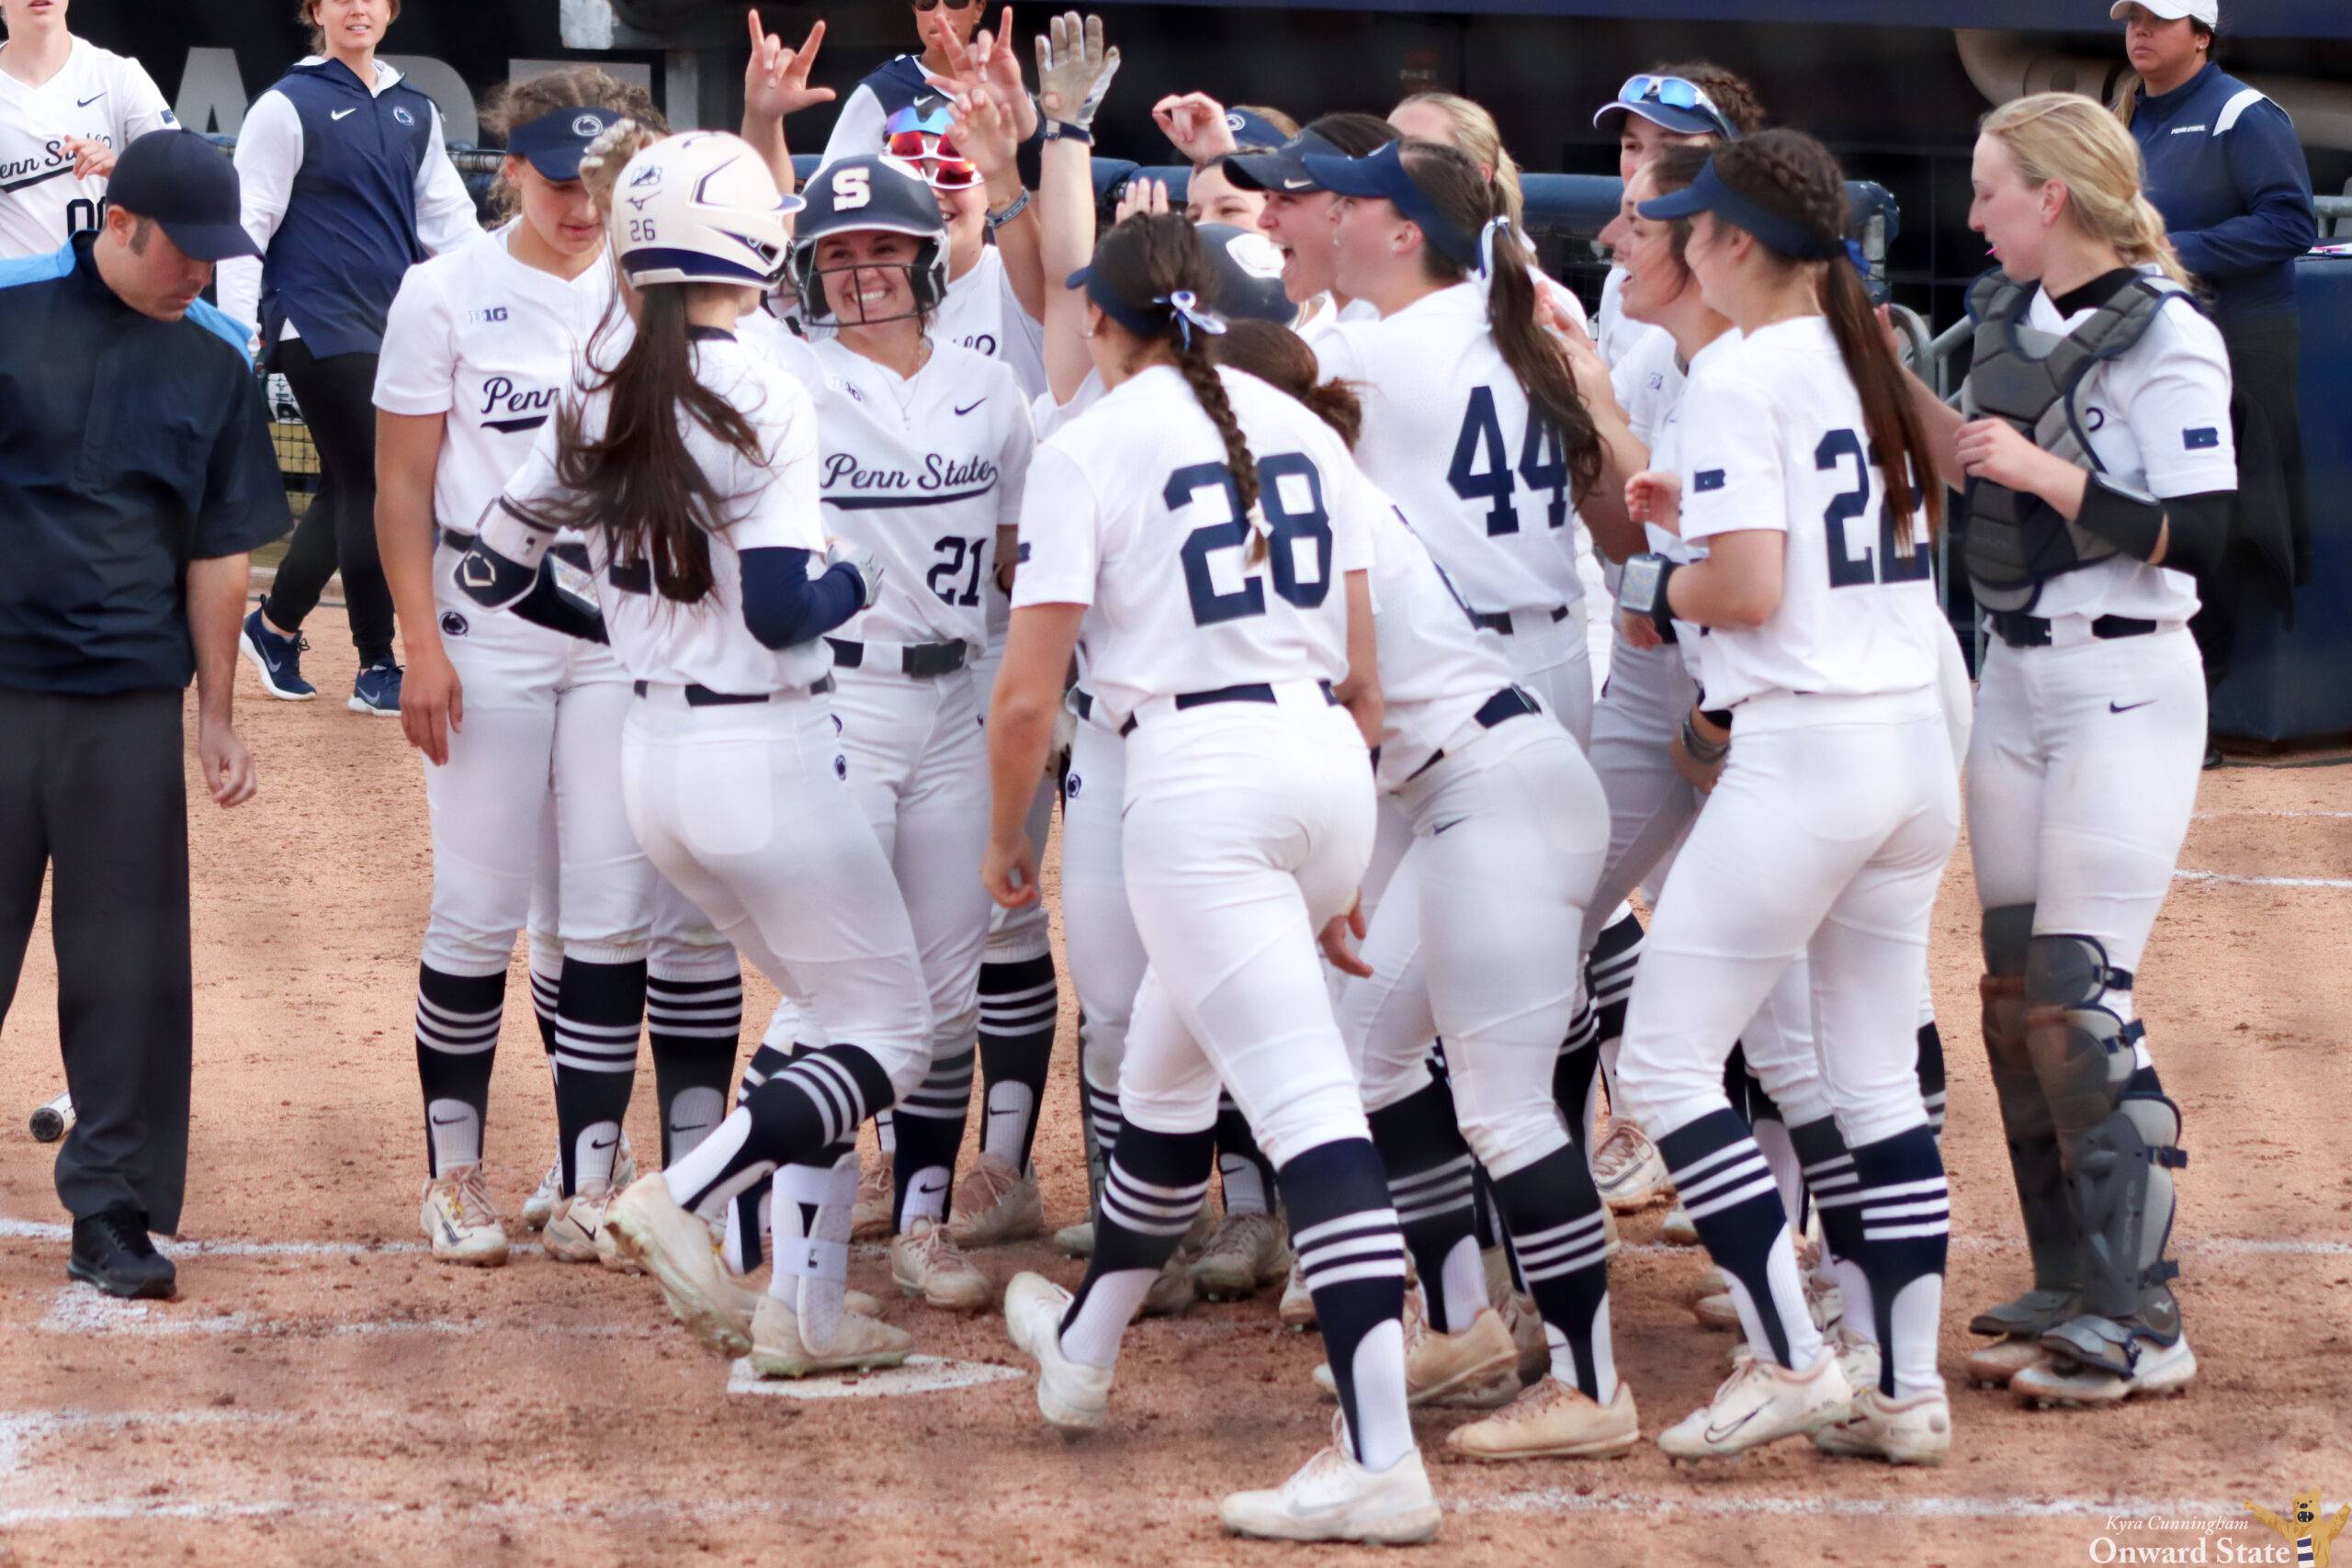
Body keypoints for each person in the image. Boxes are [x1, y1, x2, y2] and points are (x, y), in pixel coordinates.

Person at [986, 213, 1436, 1544]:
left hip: (1200, 779)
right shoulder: (1301, 419)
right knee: (1169, 1085)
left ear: (1109, 322)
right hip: (1317, 764)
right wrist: (1331, 848)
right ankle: (1083, 1346)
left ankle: (1381, 1453)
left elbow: (1025, 700)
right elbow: (1364, 674)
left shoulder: (1092, 442)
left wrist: (1012, 832)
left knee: (1307, 1109)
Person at [458, 130, 933, 1381]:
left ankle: (805, 1311)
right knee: (898, 1033)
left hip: (657, 748)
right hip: (765, 745)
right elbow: (783, 605)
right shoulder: (763, 380)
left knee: (829, 1016)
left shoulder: (600, 372)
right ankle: (691, 1185)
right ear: (756, 240)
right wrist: (854, 581)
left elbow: (492, 568)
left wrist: (612, 627)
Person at [1213, 318, 1632, 1461]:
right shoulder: (1308, 497)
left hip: (1501, 794)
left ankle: (1595, 1388)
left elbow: (1339, 706)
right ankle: (1459, 1324)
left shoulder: (1303, 512)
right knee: (1372, 1055)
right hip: (1454, 797)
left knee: (1499, 1104)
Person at [1609, 128, 1958, 1463]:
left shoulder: (1745, 367)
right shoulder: (1867, 351)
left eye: (1692, 226)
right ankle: (1905, 1389)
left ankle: (1792, 1356)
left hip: (1805, 751)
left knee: (1666, 1059)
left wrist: (1654, 579)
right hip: (1906, 743)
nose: (1680, 242)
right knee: (1875, 1079)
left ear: (1735, 243)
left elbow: (1744, 591)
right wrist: (1693, 520)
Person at [373, 70, 754, 1268]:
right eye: (555, 176)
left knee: (605, 913)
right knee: (478, 906)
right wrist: (417, 638)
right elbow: (398, 484)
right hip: (488, 640)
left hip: (617, 639)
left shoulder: (650, 293)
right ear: (509, 168)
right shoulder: (445, 290)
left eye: (601, 182)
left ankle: (590, 1175)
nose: (579, 204)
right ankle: (455, 1172)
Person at [1895, 92, 2229, 1408]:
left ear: (2056, 197)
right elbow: (1975, 467)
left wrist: (2045, 475)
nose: (1973, 216)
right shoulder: (2006, 321)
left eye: (1990, 192)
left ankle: (2146, 1318)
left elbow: (2203, 533)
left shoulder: (2174, 337)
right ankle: (2073, 1281)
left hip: (2127, 684)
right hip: (2015, 686)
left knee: (2085, 997)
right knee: (2013, 995)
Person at [0, 130, 285, 1299]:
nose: (202, 276)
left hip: (123, 695)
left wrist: (215, 712)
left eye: (220, 258)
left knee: (127, 968)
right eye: (185, 252)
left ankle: (110, 1209)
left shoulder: (216, 357)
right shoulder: (8, 311)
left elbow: (223, 548)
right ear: (117, 225)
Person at [760, 152, 1034, 1310]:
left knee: (947, 983)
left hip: (960, 698)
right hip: (840, 694)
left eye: (880, 248)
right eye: (836, 253)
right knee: (836, 982)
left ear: (929, 257)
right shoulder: (784, 374)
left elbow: (1020, 559)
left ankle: (921, 1219)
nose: (861, 270)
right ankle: (762, 1231)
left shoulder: (991, 386)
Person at [220, 0, 481, 716]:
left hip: (399, 327)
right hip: (316, 325)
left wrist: (503, 298)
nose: (356, 7)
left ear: (391, 11)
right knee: (379, 480)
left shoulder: (415, 110)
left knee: (346, 487)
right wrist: (235, 333)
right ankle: (376, 664)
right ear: (316, 12)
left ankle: (273, 627)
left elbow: (453, 226)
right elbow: (247, 225)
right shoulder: (283, 106)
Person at [2109, 0, 2313, 749]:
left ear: (2201, 35)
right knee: (2159, 502)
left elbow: (2290, 222)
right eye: (2131, 18)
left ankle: (2203, 711)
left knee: (2226, 520)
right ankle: (2170, 701)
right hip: (2155, 341)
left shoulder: (2243, 114)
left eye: (2158, 20)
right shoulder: (2127, 119)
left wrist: (2169, 248)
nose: (2140, 31)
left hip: (2240, 344)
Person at [0, 0, 177, 258]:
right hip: (18, 292)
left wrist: (121, 173)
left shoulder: (119, 77)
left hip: (107, 289)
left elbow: (183, 191)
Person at [1220, 114, 1399, 341]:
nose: (1263, 221)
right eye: (1266, 198)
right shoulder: (1341, 335)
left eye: (1287, 199)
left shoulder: (1397, 337)